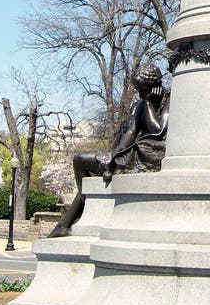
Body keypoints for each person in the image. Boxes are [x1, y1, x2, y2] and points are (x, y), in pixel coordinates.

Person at [48, 64, 169, 238]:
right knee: (80, 159)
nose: (140, 95)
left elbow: (158, 132)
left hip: (151, 153)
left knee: (83, 161)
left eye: (142, 91)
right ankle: (79, 207)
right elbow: (131, 132)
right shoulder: (143, 102)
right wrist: (116, 155)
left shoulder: (168, 100)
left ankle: (66, 221)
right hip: (134, 151)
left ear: (153, 86)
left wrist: (149, 104)